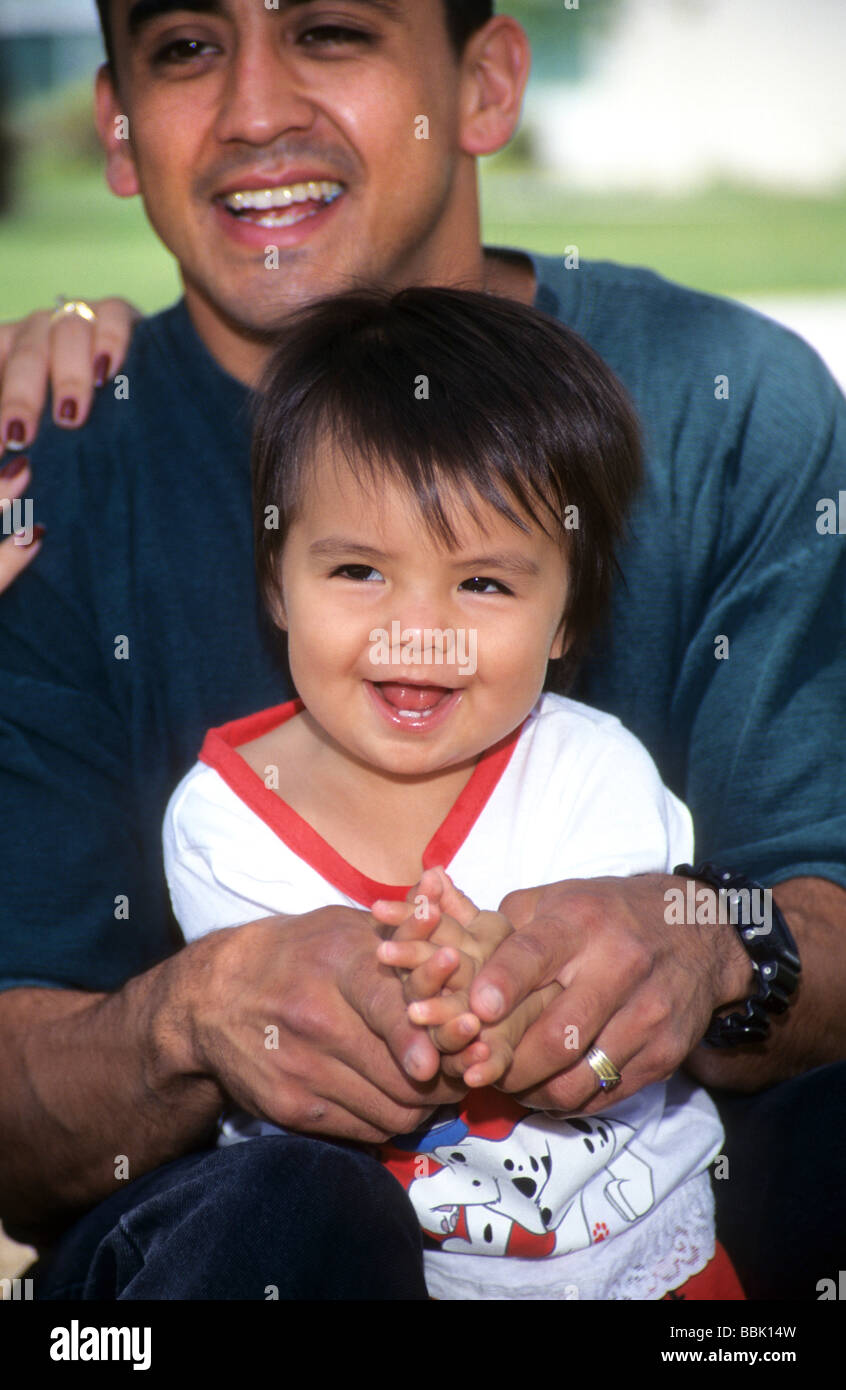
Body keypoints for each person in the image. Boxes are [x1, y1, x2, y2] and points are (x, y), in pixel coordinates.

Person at [0, 0, 843, 1301]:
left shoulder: (730, 406)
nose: (253, 110)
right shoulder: (37, 472)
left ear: (488, 82)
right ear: (116, 125)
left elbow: (824, 906)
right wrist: (193, 1014)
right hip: (244, 1251)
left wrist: (709, 938)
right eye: (184, 47)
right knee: (279, 1209)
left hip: (680, 1255)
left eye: (330, 30)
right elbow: (22, 1136)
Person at [162, 283, 744, 1300]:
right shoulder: (221, 816)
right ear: (275, 580)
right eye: (356, 571)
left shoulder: (591, 771)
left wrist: (498, 985)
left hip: (647, 1267)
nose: (417, 633)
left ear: (568, 616)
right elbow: (331, 1054)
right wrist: (449, 989)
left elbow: (603, 1007)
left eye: (483, 584)